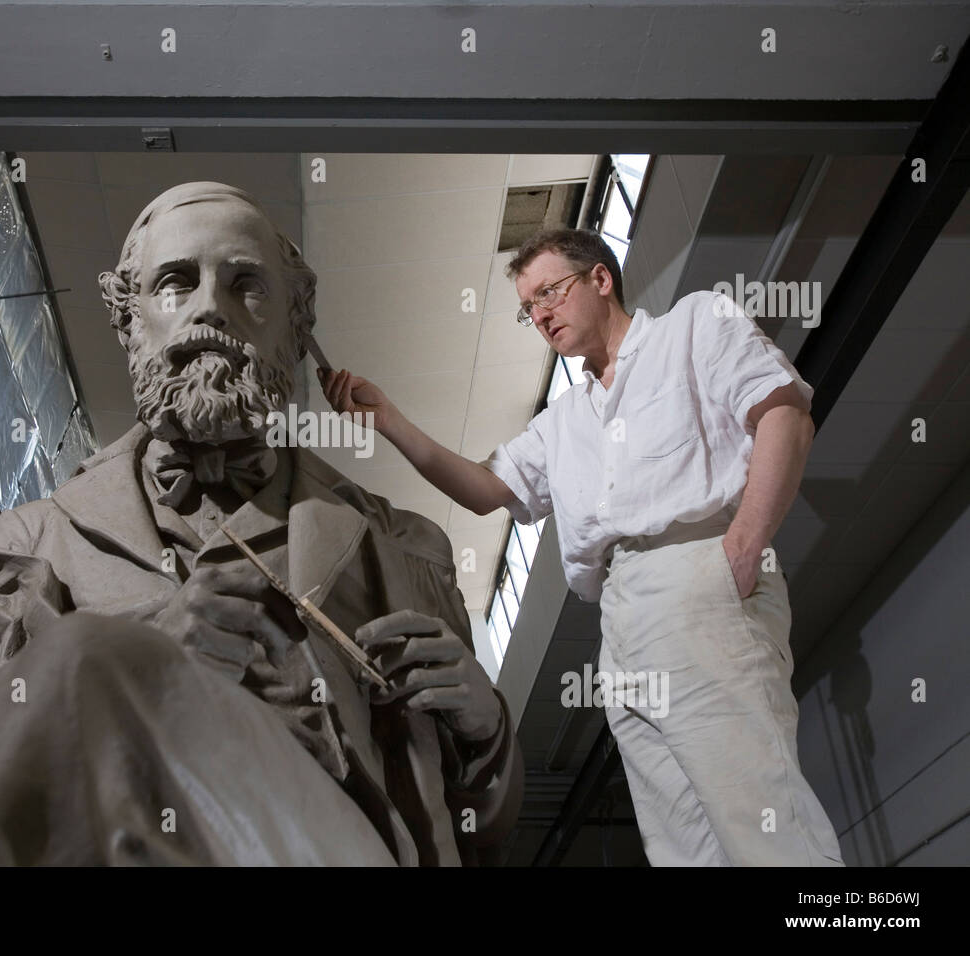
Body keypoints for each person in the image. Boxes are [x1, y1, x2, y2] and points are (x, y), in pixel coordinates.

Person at [0, 182, 522, 867]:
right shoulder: (33, 540)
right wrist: (135, 666)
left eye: (246, 284)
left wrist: (486, 733)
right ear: (129, 320)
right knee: (87, 659)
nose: (210, 309)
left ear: (297, 323)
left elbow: (480, 831)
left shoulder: (406, 552)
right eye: (176, 283)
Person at [319, 228, 844, 866]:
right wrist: (389, 421)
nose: (540, 315)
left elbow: (784, 416)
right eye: (528, 307)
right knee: (680, 838)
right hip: (620, 617)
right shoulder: (563, 420)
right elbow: (487, 491)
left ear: (600, 279)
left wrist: (741, 546)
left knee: (754, 807)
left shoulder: (695, 323)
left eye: (550, 293)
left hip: (698, 574)